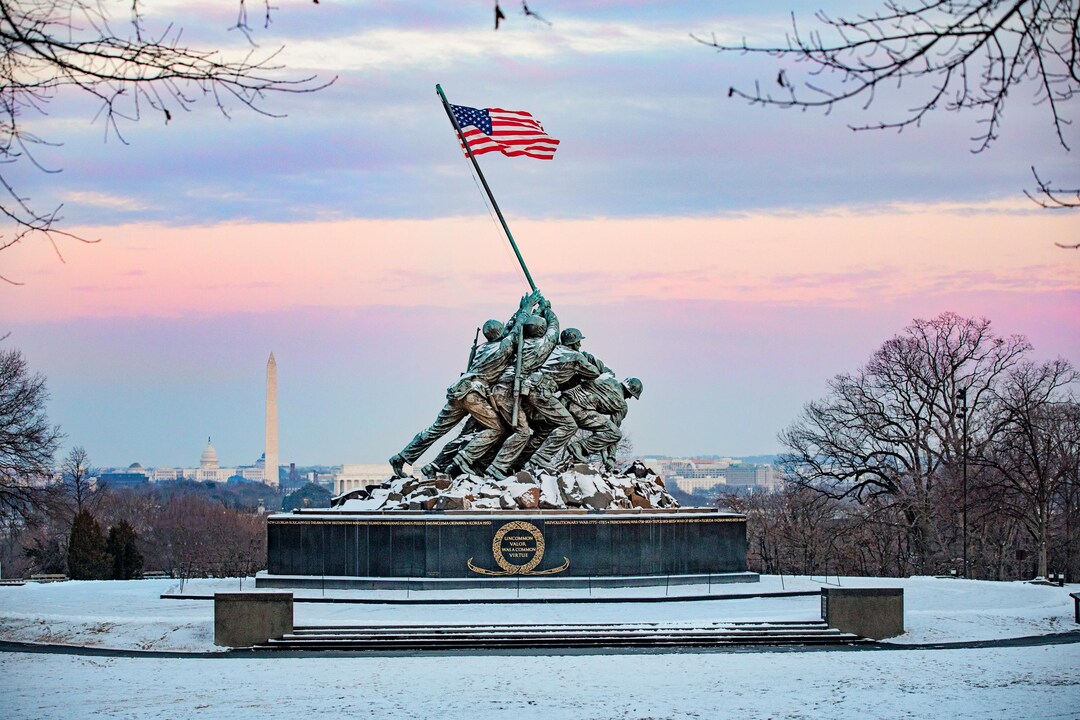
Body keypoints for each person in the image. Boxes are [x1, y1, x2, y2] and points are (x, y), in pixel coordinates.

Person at [388, 292, 538, 478]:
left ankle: (403, 456)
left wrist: (519, 311)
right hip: (473, 394)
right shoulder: (502, 348)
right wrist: (526, 309)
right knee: (496, 428)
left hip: (458, 390)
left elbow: (509, 330)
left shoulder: (483, 347)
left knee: (436, 429)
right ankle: (464, 458)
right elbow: (515, 332)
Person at [456, 297, 560, 479]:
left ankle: (480, 462)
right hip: (506, 394)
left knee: (504, 429)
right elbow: (553, 330)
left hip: (495, 392)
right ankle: (496, 466)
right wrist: (547, 309)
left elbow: (518, 328)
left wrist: (530, 311)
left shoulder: (517, 343)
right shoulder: (541, 346)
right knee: (522, 432)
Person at [514, 327, 601, 473]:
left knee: (545, 427)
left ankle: (519, 461)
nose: (579, 345)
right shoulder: (575, 356)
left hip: (529, 389)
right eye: (578, 342)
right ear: (573, 343)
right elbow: (594, 373)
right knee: (569, 425)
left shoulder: (552, 350)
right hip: (542, 392)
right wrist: (583, 359)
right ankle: (541, 457)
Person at [562, 375, 643, 471]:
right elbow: (612, 434)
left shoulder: (608, 380)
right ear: (630, 392)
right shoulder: (621, 404)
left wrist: (605, 456)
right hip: (579, 409)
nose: (629, 398)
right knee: (615, 433)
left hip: (565, 399)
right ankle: (578, 447)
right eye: (631, 396)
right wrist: (611, 457)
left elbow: (600, 430)